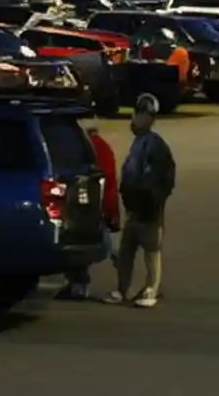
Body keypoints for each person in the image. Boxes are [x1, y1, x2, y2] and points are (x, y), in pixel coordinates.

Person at [105, 99, 176, 308]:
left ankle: (151, 289)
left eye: (140, 115)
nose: (135, 118)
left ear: (149, 118)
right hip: (134, 208)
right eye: (136, 114)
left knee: (151, 251)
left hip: (149, 209)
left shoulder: (156, 145)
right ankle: (121, 288)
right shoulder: (138, 142)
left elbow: (165, 178)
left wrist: (154, 199)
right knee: (127, 250)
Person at [58, 122, 120, 300]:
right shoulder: (101, 147)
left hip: (93, 207)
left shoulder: (87, 149)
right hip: (102, 206)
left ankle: (80, 285)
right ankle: (80, 284)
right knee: (105, 246)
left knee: (103, 246)